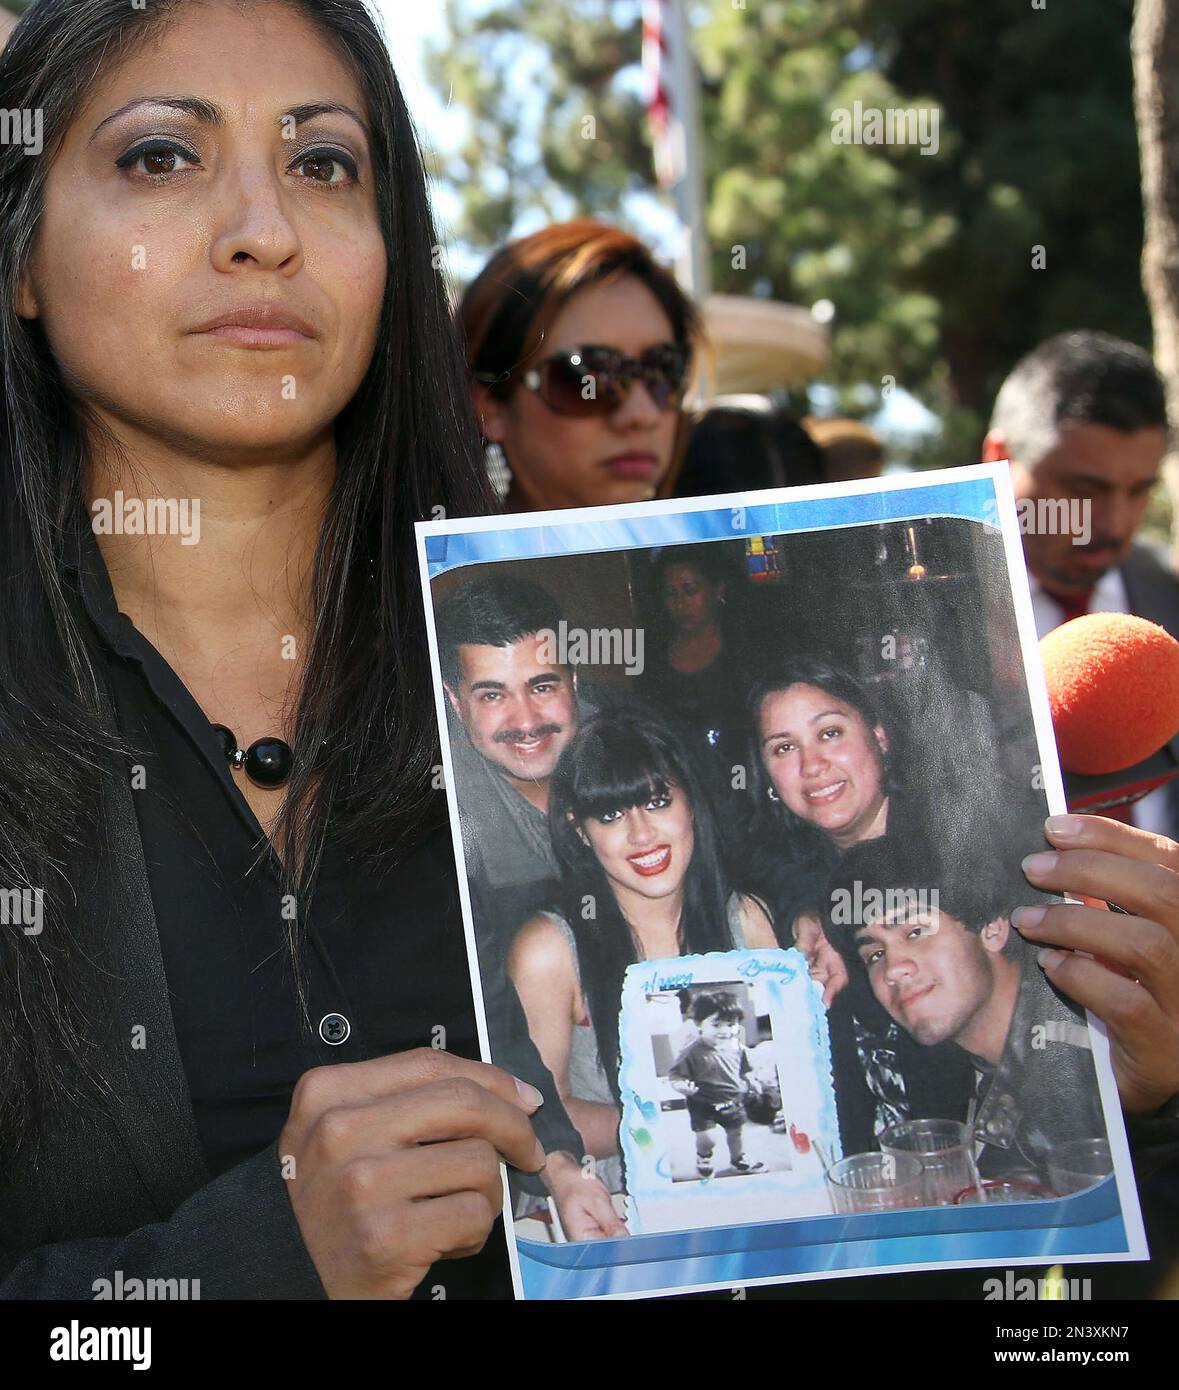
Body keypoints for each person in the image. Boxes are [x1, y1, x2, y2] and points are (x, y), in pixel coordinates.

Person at [0, 0, 621, 1300]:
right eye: (160, 157)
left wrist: (1124, 1103)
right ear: (23, 258)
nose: (263, 232)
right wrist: (257, 1261)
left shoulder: (583, 673)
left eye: (322, 163)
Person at [507, 710, 777, 1194]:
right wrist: (665, 1122)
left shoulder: (746, 920)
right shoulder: (550, 949)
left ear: (690, 802)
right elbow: (534, 1111)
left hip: (751, 1190)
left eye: (656, 801)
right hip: (614, 1205)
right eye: (610, 814)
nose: (642, 834)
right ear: (580, 829)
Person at [981, 329, 1179, 837]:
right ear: (999, 458)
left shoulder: (1171, 591)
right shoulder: (919, 611)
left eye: (1139, 491)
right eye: (1084, 490)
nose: (1112, 524)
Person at [823, 833, 1106, 1181]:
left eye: (914, 932)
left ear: (991, 928)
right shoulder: (975, 1078)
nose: (894, 970)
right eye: (875, 954)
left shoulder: (1089, 1049)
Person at [459, 218, 702, 511]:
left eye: (664, 372)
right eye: (590, 377)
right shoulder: (437, 556)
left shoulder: (739, 552)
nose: (643, 414)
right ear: (489, 407)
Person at [436, 573, 591, 968]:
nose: (525, 721)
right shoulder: (439, 825)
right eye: (492, 695)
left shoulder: (647, 755)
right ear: (456, 702)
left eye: (542, 687)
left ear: (573, 681)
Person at [668, 991, 767, 1178]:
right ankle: (703, 1156)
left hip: (732, 1101)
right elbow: (675, 1075)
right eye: (716, 1025)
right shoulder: (692, 1052)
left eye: (731, 1025)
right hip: (703, 1103)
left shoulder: (738, 1047)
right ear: (699, 1025)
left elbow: (745, 1070)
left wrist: (752, 1082)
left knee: (737, 1134)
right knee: (707, 1139)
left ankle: (739, 1159)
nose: (725, 1031)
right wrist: (681, 1086)